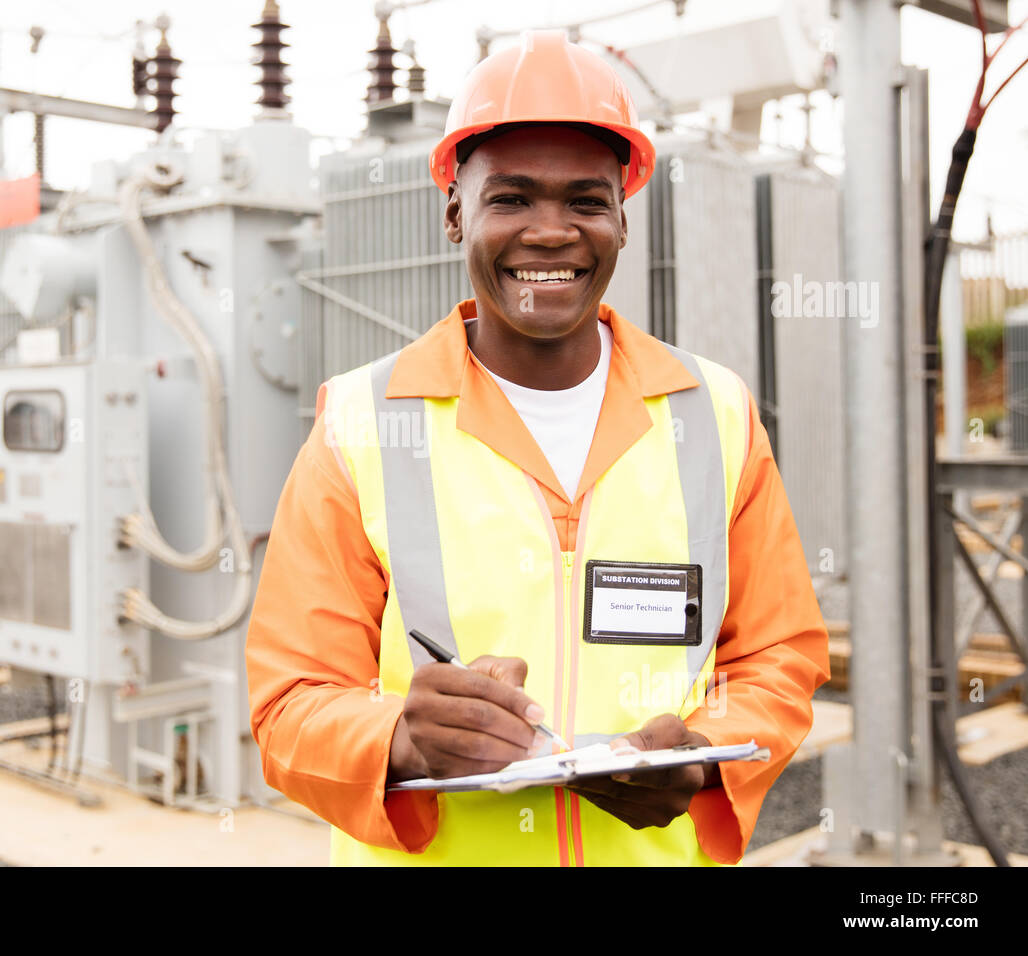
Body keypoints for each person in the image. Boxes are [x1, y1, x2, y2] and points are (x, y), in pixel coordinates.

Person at [245, 30, 829, 866]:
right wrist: (400, 738)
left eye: (585, 201)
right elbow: (288, 701)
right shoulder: (361, 425)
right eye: (511, 199)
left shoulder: (716, 414)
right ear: (456, 215)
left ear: (622, 220)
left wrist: (702, 756)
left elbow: (777, 656)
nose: (551, 233)